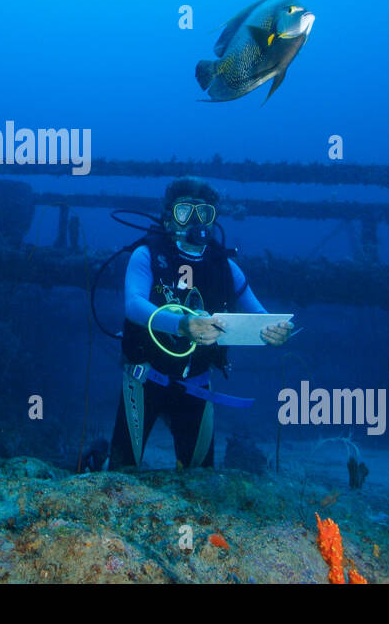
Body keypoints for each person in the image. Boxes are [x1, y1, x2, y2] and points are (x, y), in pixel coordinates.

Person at [108, 177, 289, 469]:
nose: (194, 220)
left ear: (212, 219)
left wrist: (277, 331)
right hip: (144, 379)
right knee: (121, 471)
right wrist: (182, 325)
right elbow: (134, 306)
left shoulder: (225, 267)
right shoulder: (147, 255)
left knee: (201, 480)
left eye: (203, 213)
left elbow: (260, 316)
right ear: (168, 218)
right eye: (184, 211)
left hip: (196, 385)